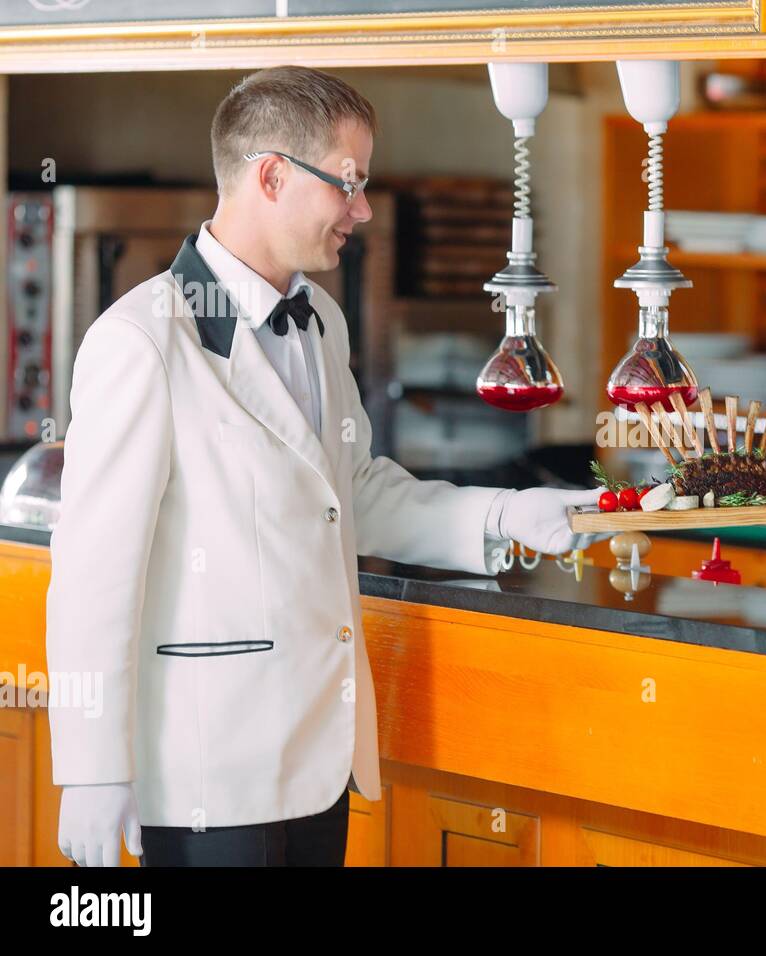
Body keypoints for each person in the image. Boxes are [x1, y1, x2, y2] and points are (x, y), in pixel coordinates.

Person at [46, 65, 599, 867]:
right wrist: (93, 771)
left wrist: (506, 514)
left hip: (317, 762)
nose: (363, 209)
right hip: (207, 773)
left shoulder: (323, 322)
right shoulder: (140, 341)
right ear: (272, 176)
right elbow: (92, 575)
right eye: (349, 182)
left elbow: (353, 489)